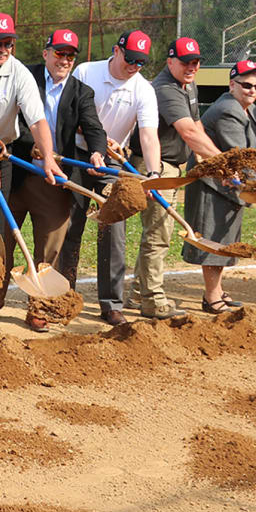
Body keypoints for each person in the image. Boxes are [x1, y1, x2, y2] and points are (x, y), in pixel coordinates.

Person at [0, 12, 64, 338]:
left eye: (9, 43)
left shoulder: (19, 74)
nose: (4, 48)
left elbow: (37, 121)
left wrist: (48, 157)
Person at [8, 29, 107, 324]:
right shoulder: (25, 77)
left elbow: (94, 128)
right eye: (59, 53)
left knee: (49, 248)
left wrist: (97, 152)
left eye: (70, 55)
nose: (64, 59)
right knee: (3, 242)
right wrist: (35, 146)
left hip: (54, 180)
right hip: (16, 172)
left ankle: (39, 309)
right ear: (46, 53)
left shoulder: (81, 91)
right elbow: (14, 120)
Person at [63, 30, 159, 326]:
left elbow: (148, 135)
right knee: (69, 227)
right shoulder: (85, 71)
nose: (134, 67)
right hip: (76, 156)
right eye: (130, 59)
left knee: (113, 231)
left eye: (140, 62)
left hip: (113, 165)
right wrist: (96, 141)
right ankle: (64, 296)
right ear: (117, 51)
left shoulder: (143, 89)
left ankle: (111, 303)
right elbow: (68, 117)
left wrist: (153, 175)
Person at [133, 36, 222, 319]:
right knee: (158, 235)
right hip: (156, 167)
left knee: (157, 233)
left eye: (195, 62)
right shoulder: (165, 88)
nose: (191, 67)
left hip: (172, 165)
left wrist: (213, 161)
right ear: (170, 60)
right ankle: (153, 299)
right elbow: (189, 132)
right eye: (185, 62)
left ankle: (138, 292)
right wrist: (225, 162)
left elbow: (197, 124)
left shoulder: (187, 83)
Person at [182, 60, 256, 313]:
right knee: (214, 240)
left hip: (228, 183)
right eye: (246, 85)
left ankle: (217, 291)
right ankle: (211, 297)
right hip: (212, 185)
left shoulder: (249, 109)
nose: (252, 90)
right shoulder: (228, 109)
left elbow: (253, 151)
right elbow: (237, 155)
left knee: (225, 239)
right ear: (232, 85)